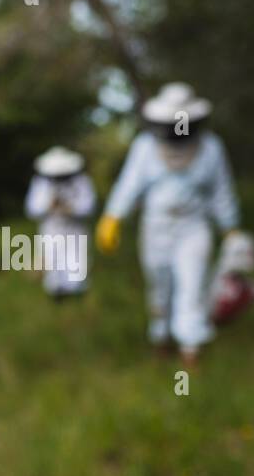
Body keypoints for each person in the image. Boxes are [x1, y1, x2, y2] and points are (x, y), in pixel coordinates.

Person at [96, 83, 241, 365]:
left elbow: (221, 191)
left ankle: (190, 353)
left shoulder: (211, 148)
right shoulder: (145, 148)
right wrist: (113, 216)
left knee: (192, 285)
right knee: (160, 286)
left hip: (194, 226)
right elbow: (129, 185)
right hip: (156, 228)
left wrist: (230, 227)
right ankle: (161, 338)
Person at [25, 146, 96, 298]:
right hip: (51, 231)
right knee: (53, 270)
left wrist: (71, 209)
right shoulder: (40, 183)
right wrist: (48, 206)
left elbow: (89, 206)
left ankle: (76, 300)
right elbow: (31, 209)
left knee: (75, 269)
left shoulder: (82, 181)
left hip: (75, 232)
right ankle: (56, 298)